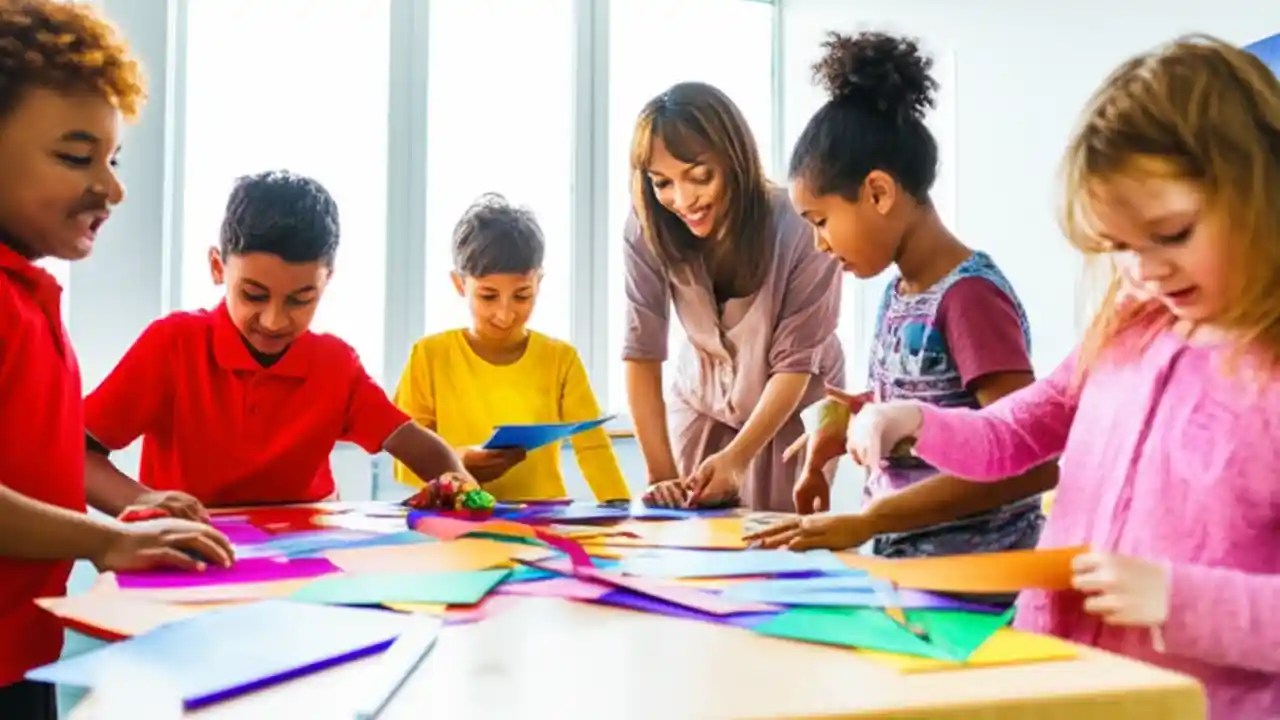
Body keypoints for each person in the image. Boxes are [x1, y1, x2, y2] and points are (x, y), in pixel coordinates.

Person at [843, 35, 1280, 719]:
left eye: (1172, 234)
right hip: (1067, 684)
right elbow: (1013, 433)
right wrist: (917, 422)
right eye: (1120, 247)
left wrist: (1178, 598)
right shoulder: (1130, 327)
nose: (1144, 272)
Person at [0, 3, 233, 716]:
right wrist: (106, 541)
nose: (112, 188)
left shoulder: (30, 294)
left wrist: (127, 503)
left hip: (22, 649)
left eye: (112, 158)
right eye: (76, 157)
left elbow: (31, 457)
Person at [745, 32, 1055, 560]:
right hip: (908, 571)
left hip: (973, 589)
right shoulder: (898, 293)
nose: (820, 245)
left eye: (821, 222)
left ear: (878, 193)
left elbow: (1028, 460)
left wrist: (870, 521)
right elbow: (926, 409)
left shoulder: (969, 298)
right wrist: (842, 426)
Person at [82, 170, 471, 511]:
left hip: (307, 562)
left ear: (326, 280)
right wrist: (143, 503)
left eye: (301, 299)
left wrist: (460, 487)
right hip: (193, 558)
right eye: (253, 294)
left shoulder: (335, 364)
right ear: (218, 267)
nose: (273, 320)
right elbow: (79, 453)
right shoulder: (173, 345)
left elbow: (413, 443)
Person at [623, 81, 845, 513]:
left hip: (792, 403)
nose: (682, 199)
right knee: (690, 536)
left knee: (777, 541)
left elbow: (794, 366)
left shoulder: (800, 228)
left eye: (699, 177)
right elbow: (641, 352)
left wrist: (738, 460)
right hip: (702, 399)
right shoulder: (646, 225)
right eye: (662, 183)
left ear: (734, 160)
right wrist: (660, 475)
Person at [393, 193, 629, 502]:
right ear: (459, 284)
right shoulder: (429, 356)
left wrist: (621, 508)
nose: (505, 314)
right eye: (488, 296)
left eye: (522, 296)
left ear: (539, 282)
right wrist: (458, 461)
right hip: (459, 520)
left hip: (544, 519)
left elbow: (593, 447)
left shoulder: (560, 359)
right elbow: (402, 463)